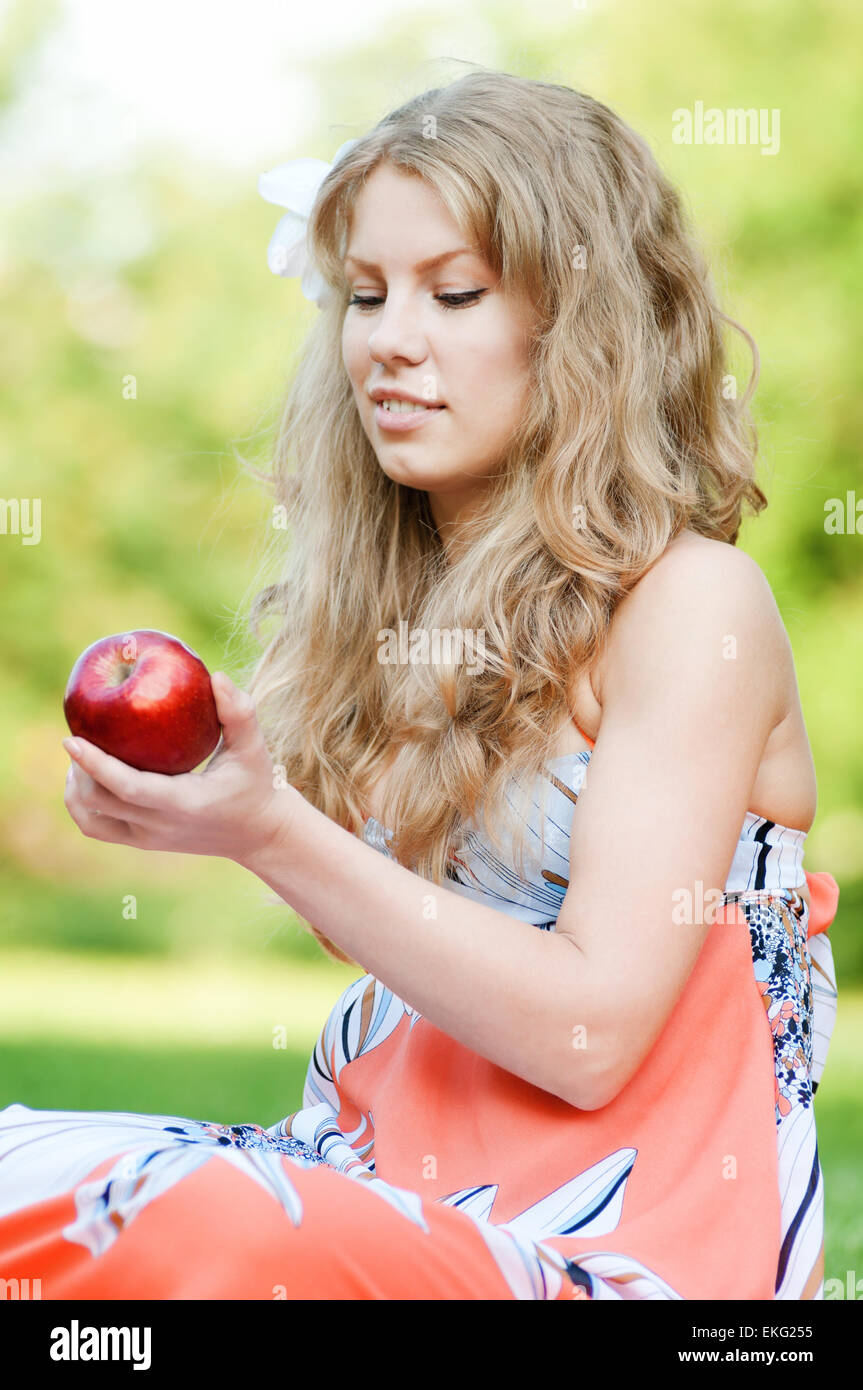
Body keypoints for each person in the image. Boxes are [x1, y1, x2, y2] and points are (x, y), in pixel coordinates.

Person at [0, 69, 839, 1300]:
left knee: (204, 1231)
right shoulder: (409, 611)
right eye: (363, 293)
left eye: (452, 293)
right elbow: (425, 944)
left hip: (619, 1235)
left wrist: (270, 831)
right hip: (384, 1178)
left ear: (585, 324)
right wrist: (207, 815)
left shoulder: (692, 604)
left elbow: (589, 1034)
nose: (389, 338)